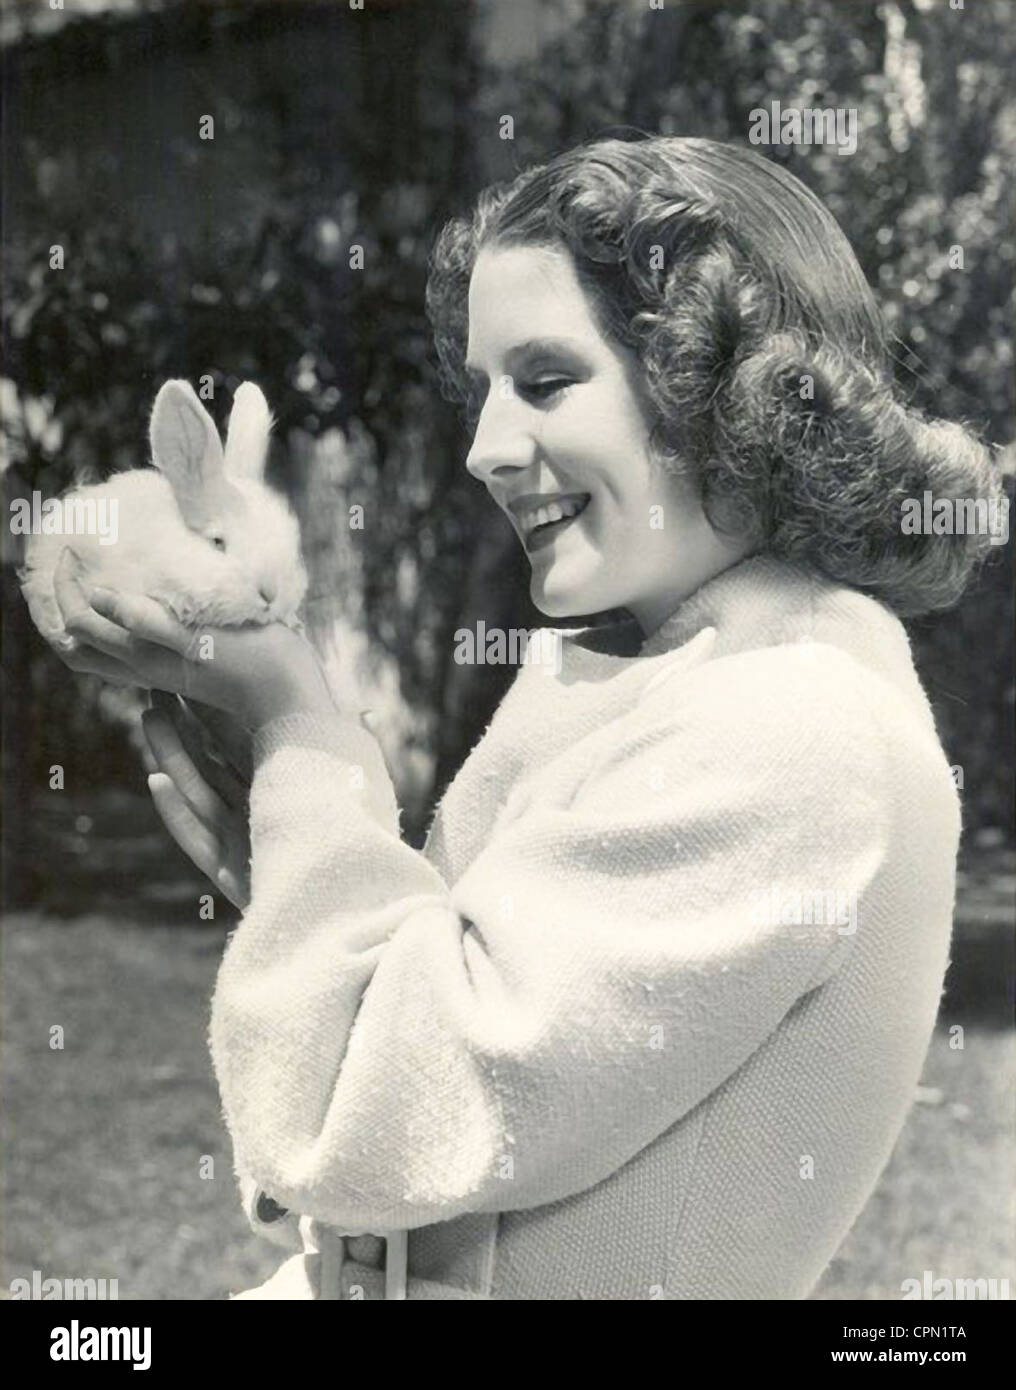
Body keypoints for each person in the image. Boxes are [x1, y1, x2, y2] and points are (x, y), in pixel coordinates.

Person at [50, 135, 1002, 1300]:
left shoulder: (793, 725)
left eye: (545, 381)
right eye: (483, 390)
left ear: (724, 385)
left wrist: (302, 725)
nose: (484, 450)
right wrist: (316, 889)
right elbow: (449, 1062)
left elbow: (372, 1122)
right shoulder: (661, 676)